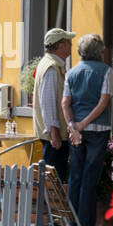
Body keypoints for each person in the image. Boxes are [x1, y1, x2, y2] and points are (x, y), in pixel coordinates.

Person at [63, 33, 113, 226]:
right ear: (99, 51)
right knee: (89, 179)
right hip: (97, 131)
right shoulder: (106, 71)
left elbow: (65, 103)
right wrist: (83, 125)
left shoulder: (71, 72)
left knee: (75, 177)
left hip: (76, 132)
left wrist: (73, 127)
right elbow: (103, 103)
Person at [31, 27, 76, 185]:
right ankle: (48, 209)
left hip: (55, 133)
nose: (71, 46)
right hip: (55, 135)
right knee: (54, 178)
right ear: (61, 45)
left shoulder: (50, 64)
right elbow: (48, 103)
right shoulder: (51, 68)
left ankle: (48, 207)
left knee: (53, 176)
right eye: (68, 42)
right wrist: (54, 133)